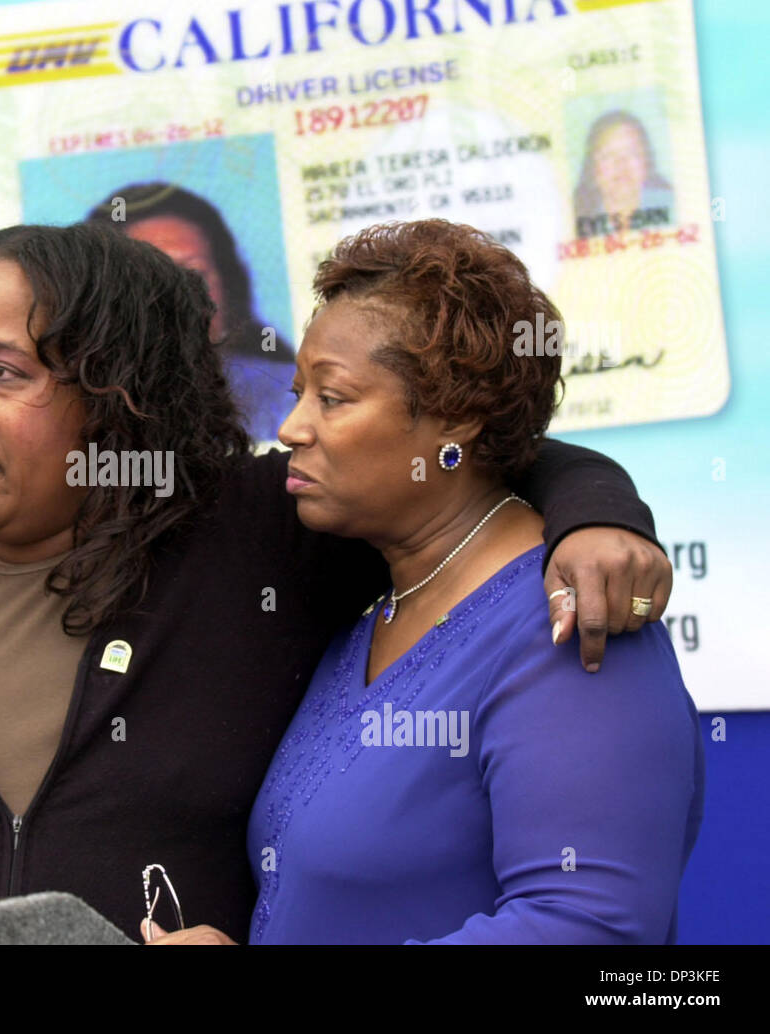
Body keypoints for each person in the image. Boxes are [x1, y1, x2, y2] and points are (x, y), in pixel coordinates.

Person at [0, 222, 673, 944]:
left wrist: (600, 514)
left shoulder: (261, 537)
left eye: (6, 372)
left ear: (118, 396)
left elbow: (471, 457)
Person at [144, 221, 702, 946]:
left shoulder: (570, 620)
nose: (291, 429)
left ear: (457, 420)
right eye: (297, 392)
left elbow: (587, 928)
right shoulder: (375, 609)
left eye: (333, 398)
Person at [85, 182, 295, 442]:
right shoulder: (71, 414)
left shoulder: (291, 399)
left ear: (227, 285)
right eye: (149, 279)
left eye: (194, 275)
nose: (178, 298)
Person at [573, 110, 674, 238]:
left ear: (646, 162)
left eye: (632, 153)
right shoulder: (574, 219)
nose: (621, 164)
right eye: (608, 155)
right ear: (592, 166)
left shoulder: (675, 206)